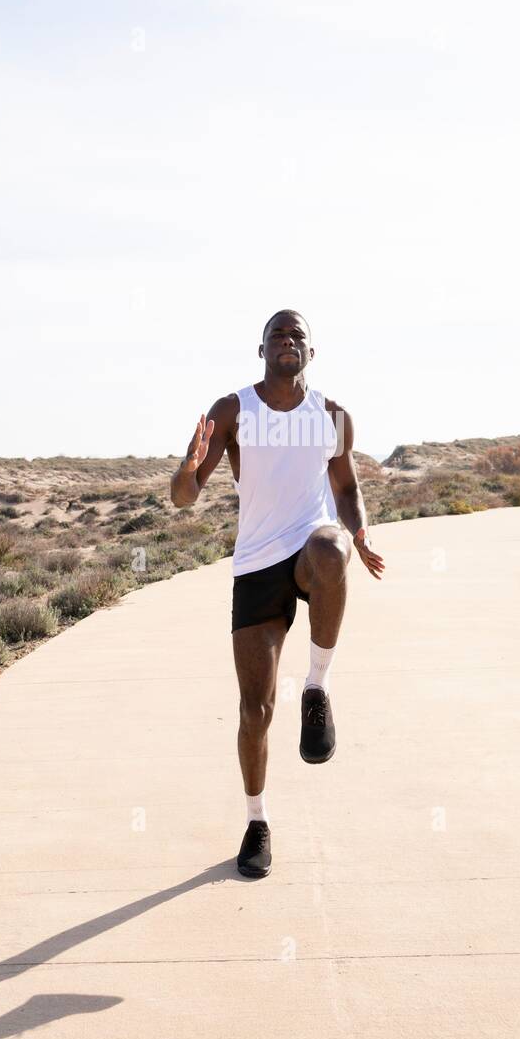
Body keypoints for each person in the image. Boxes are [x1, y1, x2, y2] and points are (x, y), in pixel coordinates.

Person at [170, 309, 385, 877]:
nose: (287, 342)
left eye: (298, 336)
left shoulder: (332, 416)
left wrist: (359, 532)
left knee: (330, 549)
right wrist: (187, 470)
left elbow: (346, 489)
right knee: (255, 710)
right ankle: (256, 821)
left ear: (311, 353)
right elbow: (184, 497)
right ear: (261, 350)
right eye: (276, 336)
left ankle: (317, 685)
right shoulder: (232, 412)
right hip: (257, 564)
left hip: (309, 547)